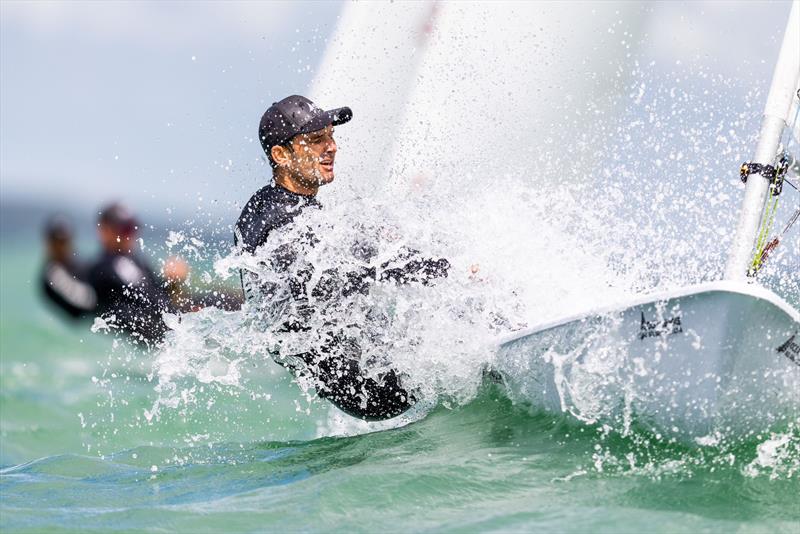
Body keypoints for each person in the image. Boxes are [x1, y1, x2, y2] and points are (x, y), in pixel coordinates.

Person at [235, 95, 450, 421]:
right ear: (281, 154)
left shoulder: (262, 206)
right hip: (372, 385)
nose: (331, 147)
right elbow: (354, 262)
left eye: (331, 136)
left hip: (354, 369)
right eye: (316, 140)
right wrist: (448, 270)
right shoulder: (283, 218)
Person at [88, 203, 180, 344]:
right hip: (149, 336)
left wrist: (174, 282)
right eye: (124, 229)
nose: (129, 235)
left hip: (163, 328)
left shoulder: (136, 260)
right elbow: (148, 301)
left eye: (132, 229)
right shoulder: (103, 267)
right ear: (104, 230)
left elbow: (159, 295)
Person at [40, 215, 97, 319]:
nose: (62, 247)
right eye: (57, 242)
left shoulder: (78, 262)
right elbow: (85, 304)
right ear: (48, 243)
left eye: (65, 241)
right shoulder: (54, 274)